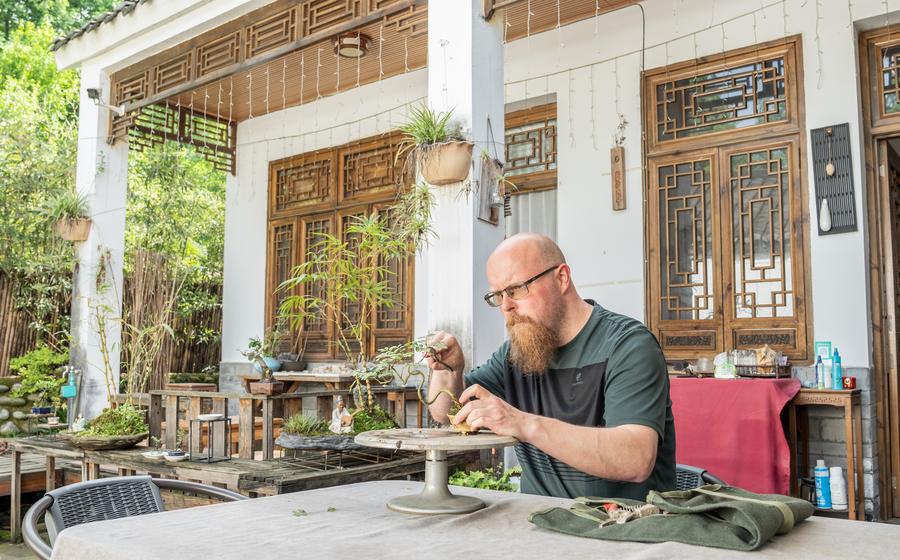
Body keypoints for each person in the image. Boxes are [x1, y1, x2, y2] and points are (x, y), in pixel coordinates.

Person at [426, 233, 675, 500]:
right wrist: (448, 371)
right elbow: (448, 412)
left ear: (562, 278)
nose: (507, 306)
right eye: (498, 295)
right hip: (538, 521)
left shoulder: (627, 345)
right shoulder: (516, 354)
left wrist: (522, 423)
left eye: (517, 289)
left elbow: (635, 459)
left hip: (624, 528)